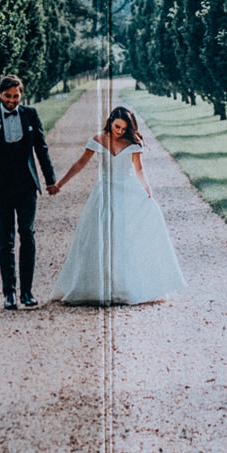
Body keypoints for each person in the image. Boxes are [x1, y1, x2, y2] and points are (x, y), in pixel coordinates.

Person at [50, 104, 188, 306]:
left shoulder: (132, 143)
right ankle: (94, 286)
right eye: (117, 127)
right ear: (110, 122)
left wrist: (147, 190)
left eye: (124, 128)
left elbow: (139, 170)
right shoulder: (98, 139)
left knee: (125, 236)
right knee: (95, 235)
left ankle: (125, 286)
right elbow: (80, 163)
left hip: (126, 190)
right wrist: (60, 184)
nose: (120, 131)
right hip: (104, 191)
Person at [0, 73, 58, 310]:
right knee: (6, 239)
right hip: (0, 188)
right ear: (0, 94)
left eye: (16, 96)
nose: (12, 100)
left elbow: (41, 148)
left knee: (27, 235)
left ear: (21, 94)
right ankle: (9, 293)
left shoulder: (30, 115)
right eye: (8, 96)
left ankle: (27, 292)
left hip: (26, 185)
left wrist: (50, 180)